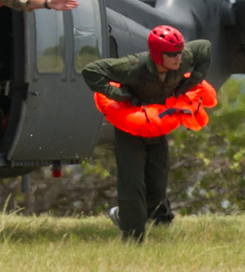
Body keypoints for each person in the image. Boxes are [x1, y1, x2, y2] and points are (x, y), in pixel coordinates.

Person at [80, 24, 216, 241]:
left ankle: (121, 215)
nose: (178, 58)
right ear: (156, 55)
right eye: (172, 54)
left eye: (180, 52)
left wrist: (195, 79)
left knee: (157, 190)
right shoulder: (132, 66)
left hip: (156, 128)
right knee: (132, 186)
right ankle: (133, 241)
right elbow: (91, 71)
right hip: (130, 131)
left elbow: (205, 47)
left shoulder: (181, 61)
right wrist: (116, 94)